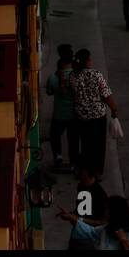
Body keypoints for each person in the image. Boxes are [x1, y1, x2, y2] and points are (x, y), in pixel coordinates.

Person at [72, 49, 118, 175]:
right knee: (98, 144)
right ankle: (96, 170)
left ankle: (86, 168)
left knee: (86, 143)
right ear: (87, 61)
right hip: (98, 116)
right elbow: (106, 94)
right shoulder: (96, 75)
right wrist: (114, 109)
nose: (91, 61)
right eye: (90, 59)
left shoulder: (73, 76)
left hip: (81, 116)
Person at [46, 43, 79, 171]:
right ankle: (73, 163)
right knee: (73, 139)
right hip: (74, 114)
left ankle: (58, 157)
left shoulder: (53, 78)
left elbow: (49, 92)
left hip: (59, 114)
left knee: (54, 136)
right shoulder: (76, 76)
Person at [60, 165, 109, 250]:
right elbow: (80, 211)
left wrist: (79, 220)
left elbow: (103, 222)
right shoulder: (81, 186)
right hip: (76, 236)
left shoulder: (100, 195)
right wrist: (70, 216)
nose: (80, 174)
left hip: (88, 240)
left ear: (90, 175)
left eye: (83, 172)